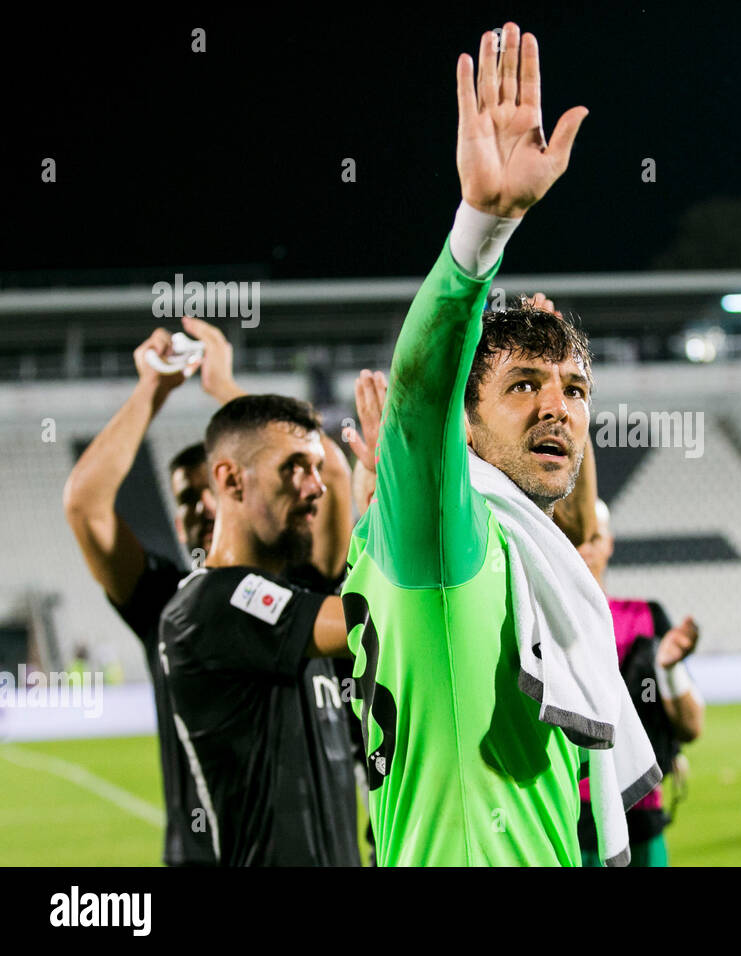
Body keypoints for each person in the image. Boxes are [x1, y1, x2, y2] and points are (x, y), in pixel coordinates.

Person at [340, 22, 657, 867]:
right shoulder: (450, 533)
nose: (557, 408)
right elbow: (418, 399)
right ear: (466, 425)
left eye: (575, 391)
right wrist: (483, 226)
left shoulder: (520, 550)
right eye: (524, 386)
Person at [62, 317, 349, 865]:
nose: (201, 506)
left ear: (233, 486)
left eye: (209, 492)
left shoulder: (300, 587)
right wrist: (153, 388)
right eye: (187, 498)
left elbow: (326, 471)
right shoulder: (177, 601)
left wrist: (224, 389)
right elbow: (85, 506)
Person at [159, 395, 359, 866]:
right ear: (230, 480)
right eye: (294, 468)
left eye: (316, 467)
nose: (316, 487)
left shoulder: (297, 598)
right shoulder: (207, 606)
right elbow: (373, 622)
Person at [567, 498, 704, 867]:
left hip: (640, 814)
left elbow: (692, 727)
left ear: (609, 543)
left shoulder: (647, 617)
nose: (584, 548)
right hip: (567, 820)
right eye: (574, 536)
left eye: (594, 537)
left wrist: (670, 670)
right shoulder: (539, 623)